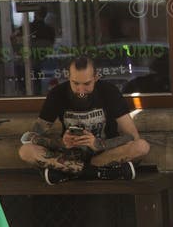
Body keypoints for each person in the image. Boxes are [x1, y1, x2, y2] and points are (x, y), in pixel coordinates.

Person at [19, 54, 151, 184]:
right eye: (75, 83)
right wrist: (62, 142)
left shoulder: (109, 91)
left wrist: (98, 144)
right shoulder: (57, 94)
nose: (81, 90)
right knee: (26, 151)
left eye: (87, 84)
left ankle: (71, 173)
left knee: (142, 147)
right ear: (68, 77)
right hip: (70, 155)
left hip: (103, 154)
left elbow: (133, 136)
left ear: (96, 77)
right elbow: (33, 137)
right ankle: (101, 173)